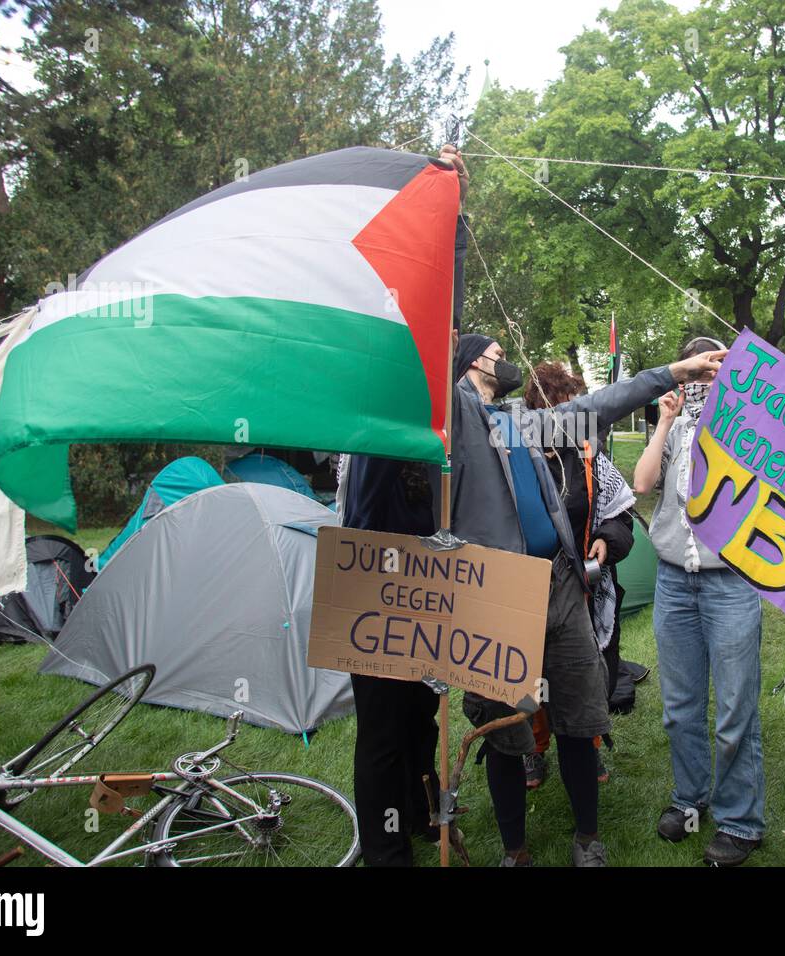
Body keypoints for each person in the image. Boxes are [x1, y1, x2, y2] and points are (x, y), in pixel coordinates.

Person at [453, 333, 725, 866]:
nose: (503, 360)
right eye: (492, 356)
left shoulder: (518, 421)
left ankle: (587, 840)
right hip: (496, 596)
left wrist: (676, 372)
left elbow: (594, 406)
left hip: (559, 588)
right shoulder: (457, 425)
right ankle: (515, 851)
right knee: (507, 728)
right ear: (462, 366)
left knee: (580, 715)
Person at [337, 144, 468, 867]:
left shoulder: (428, 416)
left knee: (420, 710)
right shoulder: (381, 416)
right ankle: (386, 848)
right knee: (384, 729)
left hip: (423, 581)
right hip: (373, 582)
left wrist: (455, 220)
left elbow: (442, 310)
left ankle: (418, 814)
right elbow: (428, 317)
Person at [633, 334, 766, 867]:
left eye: (712, 373)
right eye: (692, 375)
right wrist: (663, 421)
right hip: (672, 582)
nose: (699, 385)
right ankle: (690, 800)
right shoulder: (672, 426)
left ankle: (741, 822)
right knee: (679, 707)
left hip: (730, 583)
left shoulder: (747, 432)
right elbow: (643, 485)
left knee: (735, 708)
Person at [520, 361, 638, 791]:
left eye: (578, 405)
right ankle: (533, 749)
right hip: (529, 587)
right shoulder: (518, 458)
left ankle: (586, 744)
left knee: (584, 672)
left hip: (585, 589)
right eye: (565, 406)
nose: (574, 415)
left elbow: (621, 515)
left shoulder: (591, 455)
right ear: (541, 409)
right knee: (529, 671)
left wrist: (607, 540)